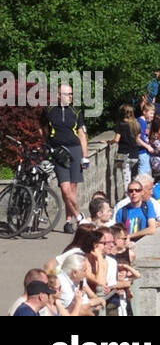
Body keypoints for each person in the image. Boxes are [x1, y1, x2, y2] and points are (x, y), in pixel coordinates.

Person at [42, 81, 89, 233]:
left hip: (75, 150)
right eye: (66, 94)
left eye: (71, 94)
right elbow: (42, 129)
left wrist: (85, 156)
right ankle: (80, 216)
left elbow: (82, 134)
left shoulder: (76, 111)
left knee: (73, 188)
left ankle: (68, 221)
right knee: (65, 188)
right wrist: (48, 144)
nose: (70, 97)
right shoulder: (49, 110)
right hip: (59, 152)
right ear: (58, 95)